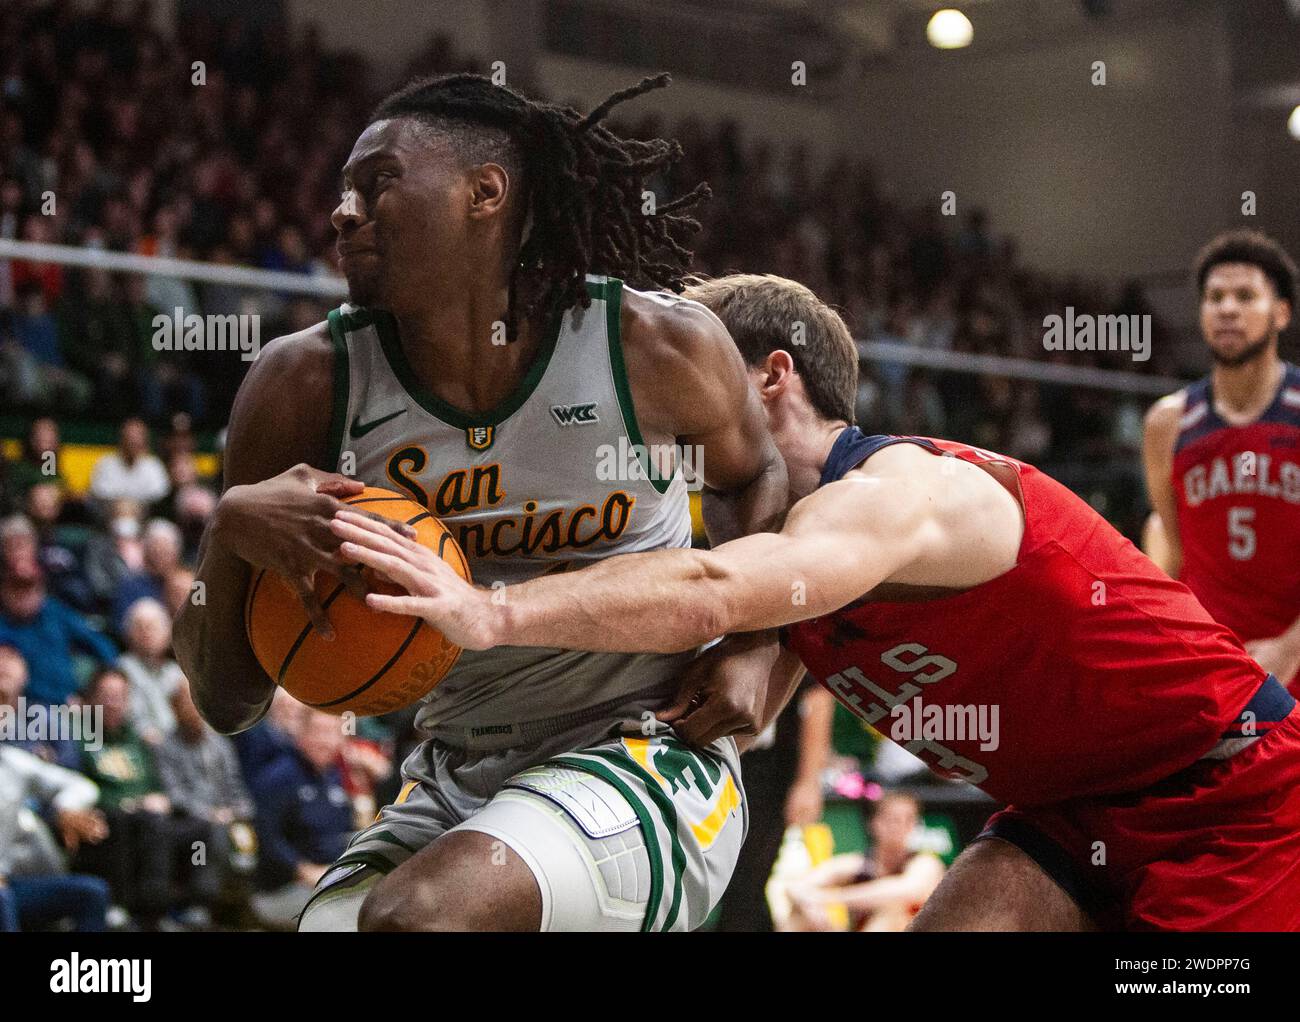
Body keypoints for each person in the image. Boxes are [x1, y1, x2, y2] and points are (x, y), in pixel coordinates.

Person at [339, 273, 1300, 931]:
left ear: (770, 374)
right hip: (1068, 811)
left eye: (681, 390)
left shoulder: (899, 495)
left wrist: (492, 612)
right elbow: (754, 611)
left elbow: (720, 586)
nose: (655, 421)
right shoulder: (788, 549)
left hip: (1238, 795)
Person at [174, 72, 788, 933]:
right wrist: (231, 529)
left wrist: (758, 645)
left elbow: (759, 477)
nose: (343, 213)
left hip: (644, 748)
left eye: (377, 181)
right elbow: (227, 703)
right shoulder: (304, 384)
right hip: (456, 770)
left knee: (416, 920)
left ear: (484, 194)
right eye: (341, 194)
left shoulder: (653, 346)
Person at [1143, 229, 1300, 691]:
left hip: (1291, 659)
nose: (1227, 308)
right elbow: (1172, 548)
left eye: (1245, 296)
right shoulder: (1167, 423)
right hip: (1209, 667)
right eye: (1215, 297)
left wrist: (1289, 648)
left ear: (1281, 314)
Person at [249, 710, 355, 930]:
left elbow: (344, 834)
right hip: (281, 889)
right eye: (318, 731)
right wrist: (304, 871)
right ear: (300, 733)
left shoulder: (336, 778)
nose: (324, 741)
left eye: (332, 733)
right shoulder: (278, 778)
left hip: (331, 882)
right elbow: (267, 839)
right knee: (343, 918)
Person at [782, 791, 944, 932]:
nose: (899, 826)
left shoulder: (926, 863)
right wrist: (810, 903)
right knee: (800, 913)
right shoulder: (857, 864)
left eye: (907, 820)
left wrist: (829, 898)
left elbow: (906, 889)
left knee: (891, 909)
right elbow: (794, 887)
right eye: (892, 819)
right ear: (874, 823)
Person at [0, 741, 110, 932]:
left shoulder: (12, 762)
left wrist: (65, 810)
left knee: (92, 893)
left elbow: (82, 785)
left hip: (9, 883)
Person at [88, 418, 171, 511]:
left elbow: (160, 495)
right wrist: (124, 506)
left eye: (138, 438)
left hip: (147, 514)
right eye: (130, 438)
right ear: (122, 439)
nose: (134, 442)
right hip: (111, 515)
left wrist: (135, 506)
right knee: (124, 522)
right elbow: (100, 495)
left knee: (162, 525)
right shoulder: (106, 463)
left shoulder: (153, 465)